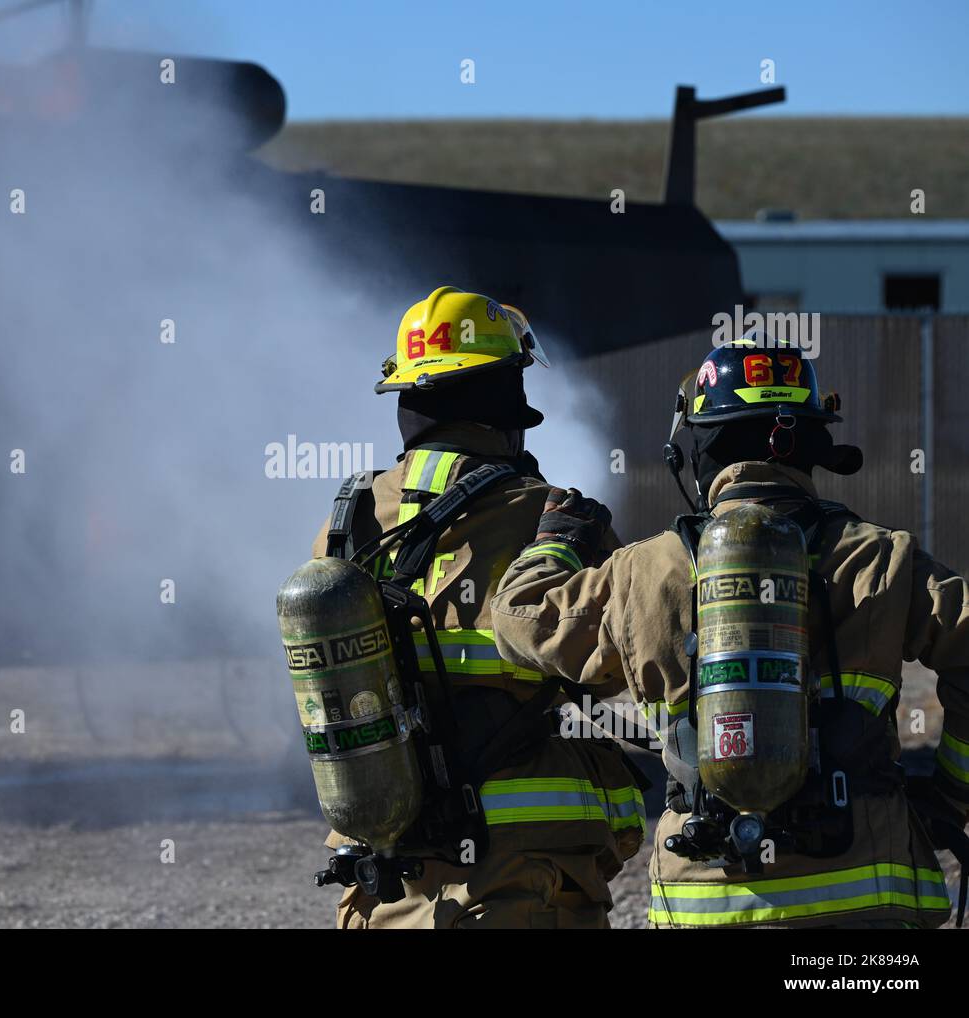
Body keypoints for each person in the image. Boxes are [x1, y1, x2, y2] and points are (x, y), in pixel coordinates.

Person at [492, 337, 969, 928]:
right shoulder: (880, 560)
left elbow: (519, 626)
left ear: (696, 450)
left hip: (707, 903)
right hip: (866, 900)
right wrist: (951, 794)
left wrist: (555, 544)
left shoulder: (644, 571)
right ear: (808, 445)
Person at [312, 285, 644, 929]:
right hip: (527, 865)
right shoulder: (558, 519)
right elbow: (623, 674)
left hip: (389, 863)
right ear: (504, 398)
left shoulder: (344, 523)